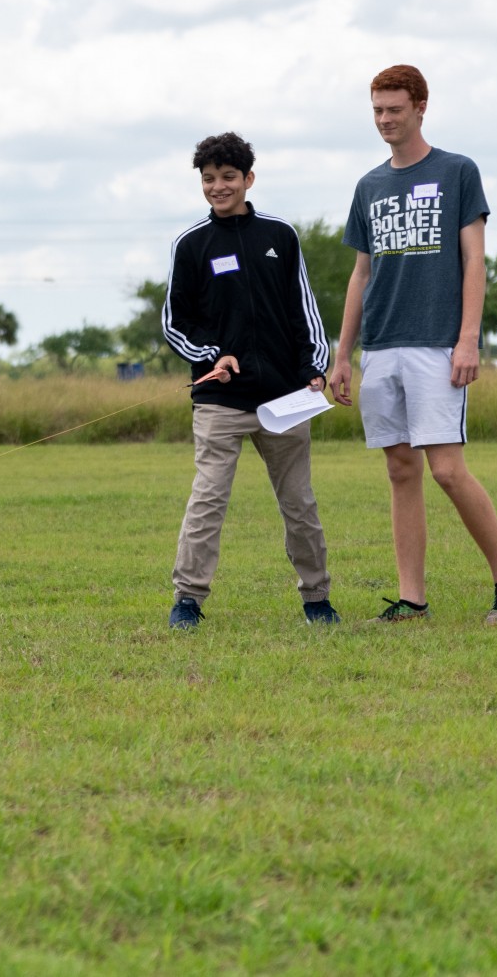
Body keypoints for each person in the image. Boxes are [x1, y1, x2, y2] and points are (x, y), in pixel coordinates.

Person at [328, 65, 497, 625]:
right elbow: (361, 274)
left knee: (446, 470)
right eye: (377, 110)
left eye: (394, 109)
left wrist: (468, 340)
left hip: (437, 344)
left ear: (420, 107)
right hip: (381, 346)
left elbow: (474, 260)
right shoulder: (369, 186)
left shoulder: (456, 171)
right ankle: (412, 599)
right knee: (400, 469)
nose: (384, 119)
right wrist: (342, 355)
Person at [162, 132, 335, 629]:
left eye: (228, 177)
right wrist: (212, 354)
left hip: (285, 399)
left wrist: (314, 368)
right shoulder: (190, 244)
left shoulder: (281, 235)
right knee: (208, 501)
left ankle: (317, 599)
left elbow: (305, 312)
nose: (218, 187)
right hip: (219, 399)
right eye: (208, 179)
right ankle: (187, 600)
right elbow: (174, 323)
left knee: (300, 504)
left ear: (248, 179)